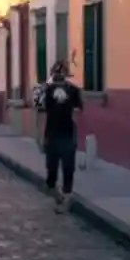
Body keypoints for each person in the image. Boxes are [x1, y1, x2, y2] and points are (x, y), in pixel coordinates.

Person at [42, 60, 83, 214]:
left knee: (68, 170)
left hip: (67, 136)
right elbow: (40, 113)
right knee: (51, 176)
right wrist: (40, 137)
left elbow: (79, 112)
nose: (59, 73)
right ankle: (59, 197)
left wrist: (75, 136)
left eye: (61, 71)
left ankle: (65, 200)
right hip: (51, 136)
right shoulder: (45, 90)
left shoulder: (74, 90)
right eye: (56, 71)